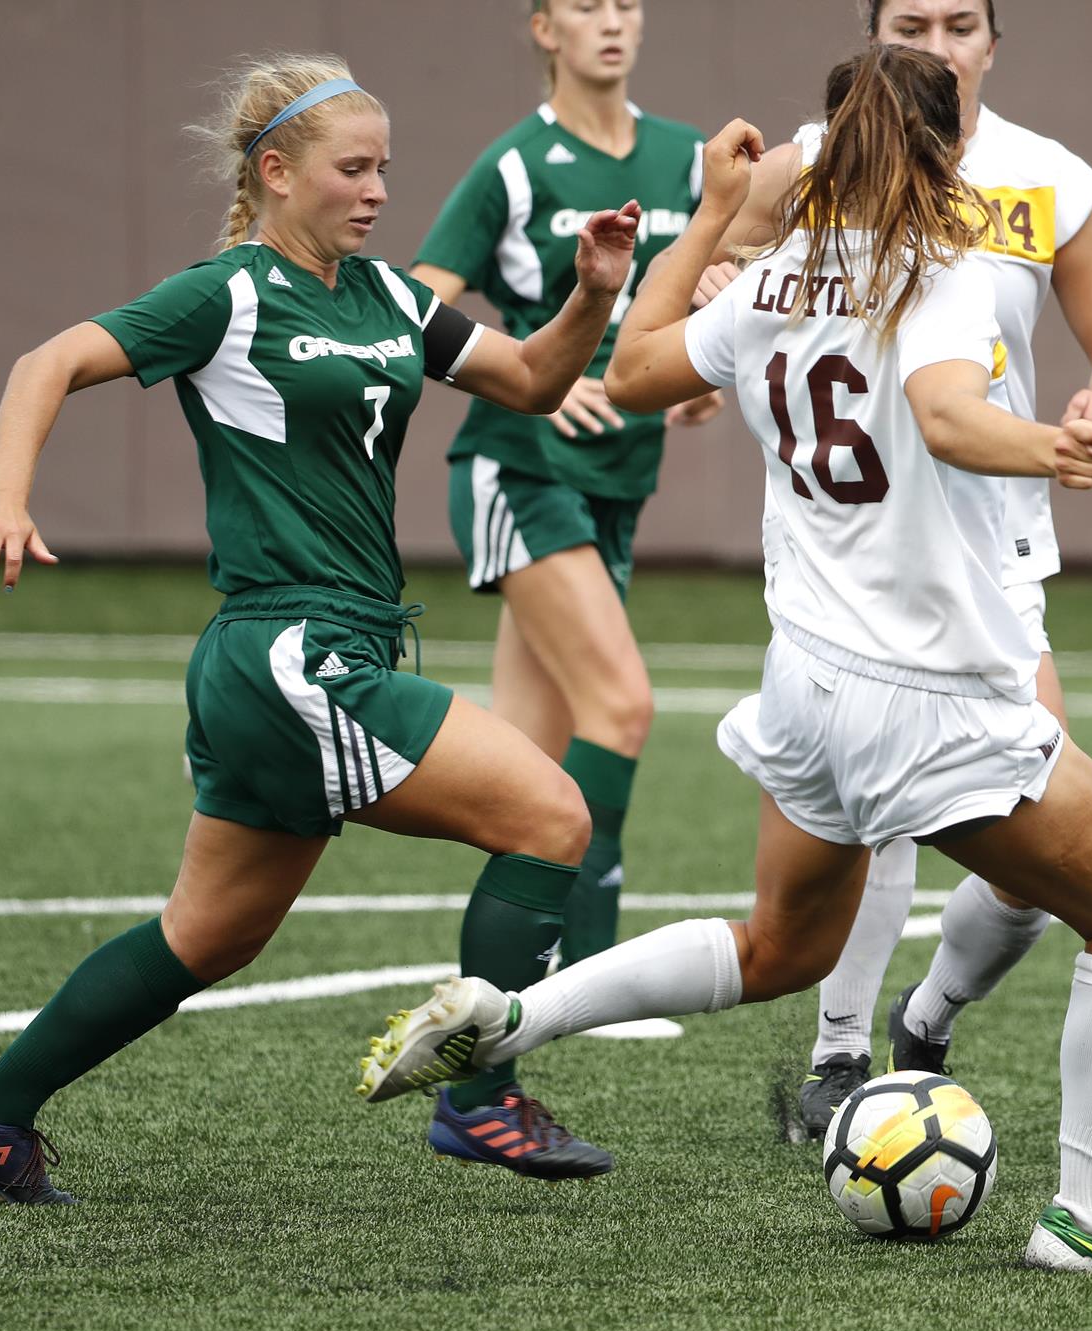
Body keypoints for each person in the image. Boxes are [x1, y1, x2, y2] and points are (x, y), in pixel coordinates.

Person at [359, 46, 1092, 1274]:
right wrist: (1044, 450)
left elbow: (632, 367)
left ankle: (513, 1014)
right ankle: (1086, 1222)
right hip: (932, 702)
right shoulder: (942, 271)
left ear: (826, 149)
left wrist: (701, 221)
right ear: (945, 150)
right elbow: (951, 415)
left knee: (779, 949)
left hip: (805, 689)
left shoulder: (775, 279)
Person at [0, 53, 643, 1203]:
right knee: (550, 813)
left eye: (383, 170)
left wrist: (594, 292)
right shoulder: (230, 292)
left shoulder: (390, 296)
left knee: (207, 937)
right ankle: (477, 1100)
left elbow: (527, 380)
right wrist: (4, 498)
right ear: (273, 172)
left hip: (316, 654)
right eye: (350, 169)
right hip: (288, 653)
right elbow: (45, 361)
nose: (374, 191)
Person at [699, 0, 1092, 1134]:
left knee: (1032, 869)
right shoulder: (814, 157)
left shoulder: (1044, 177)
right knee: (878, 817)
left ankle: (927, 1019)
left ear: (995, 43)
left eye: (959, 23)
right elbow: (731, 284)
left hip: (996, 548)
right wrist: (713, 285)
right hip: (859, 550)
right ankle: (838, 1058)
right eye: (911, 21)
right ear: (871, 35)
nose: (936, 43)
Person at [403, 0, 718, 1172]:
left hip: (615, 484)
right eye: (584, 4)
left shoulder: (684, 155)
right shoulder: (511, 162)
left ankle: (479, 1079)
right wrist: (537, 374)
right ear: (541, 27)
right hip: (517, 466)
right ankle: (590, 969)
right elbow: (415, 304)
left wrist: (686, 376)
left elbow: (698, 286)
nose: (610, 23)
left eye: (627, 3)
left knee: (528, 794)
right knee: (622, 707)